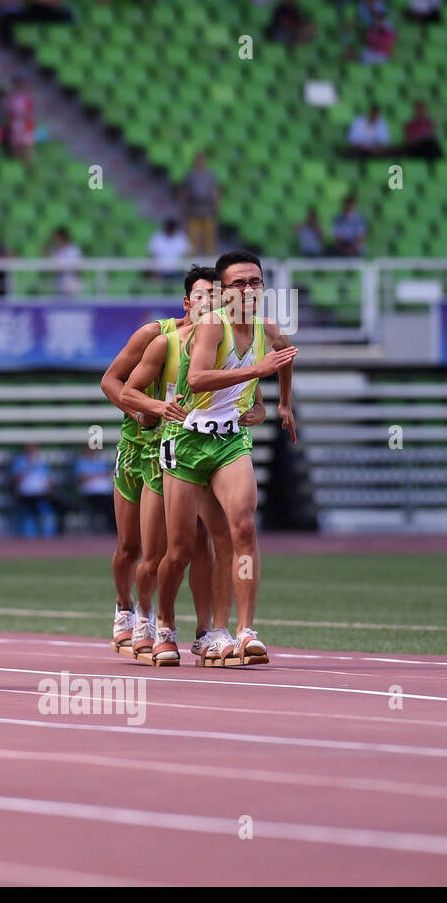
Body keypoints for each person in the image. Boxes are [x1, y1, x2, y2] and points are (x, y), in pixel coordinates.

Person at [154, 250, 298, 666]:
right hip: (186, 439)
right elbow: (197, 378)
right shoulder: (212, 325)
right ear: (222, 292)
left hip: (229, 440)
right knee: (180, 549)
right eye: (239, 284)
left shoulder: (267, 329)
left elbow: (285, 356)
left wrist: (283, 403)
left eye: (255, 282)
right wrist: (258, 372)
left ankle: (239, 630)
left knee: (242, 528)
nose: (249, 290)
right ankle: (165, 625)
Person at [122, 271, 266, 665]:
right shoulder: (163, 342)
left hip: (222, 444)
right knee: (166, 550)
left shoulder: (230, 337)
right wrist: (154, 409)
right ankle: (148, 619)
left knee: (224, 536)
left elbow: (254, 389)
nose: (210, 304)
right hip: (167, 448)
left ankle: (214, 631)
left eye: (216, 297)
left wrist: (267, 406)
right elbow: (121, 388)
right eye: (201, 297)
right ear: (187, 303)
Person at [11, 444, 57, 537]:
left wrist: (49, 489)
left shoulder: (42, 462)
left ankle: (49, 539)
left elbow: (49, 479)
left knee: (48, 515)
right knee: (28, 517)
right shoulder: (19, 462)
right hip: (25, 494)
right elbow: (15, 480)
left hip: (41, 494)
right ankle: (29, 542)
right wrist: (29, 467)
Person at [181, 152, 220, 258]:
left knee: (209, 237)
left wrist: (216, 206)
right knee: (193, 237)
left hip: (207, 208)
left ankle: (210, 258)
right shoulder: (190, 175)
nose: (200, 162)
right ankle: (192, 259)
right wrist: (184, 207)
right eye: (198, 160)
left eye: (202, 160)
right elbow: (185, 191)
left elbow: (214, 191)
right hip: (194, 208)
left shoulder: (210, 175)